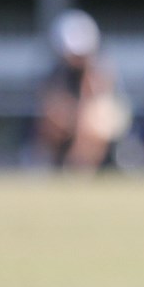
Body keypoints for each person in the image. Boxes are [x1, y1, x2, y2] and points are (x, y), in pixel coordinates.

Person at [36, 9, 125, 173]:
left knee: (94, 118)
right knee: (54, 117)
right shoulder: (57, 72)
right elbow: (51, 103)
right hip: (72, 121)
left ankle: (82, 165)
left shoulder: (100, 68)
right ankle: (53, 162)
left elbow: (100, 104)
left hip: (98, 123)